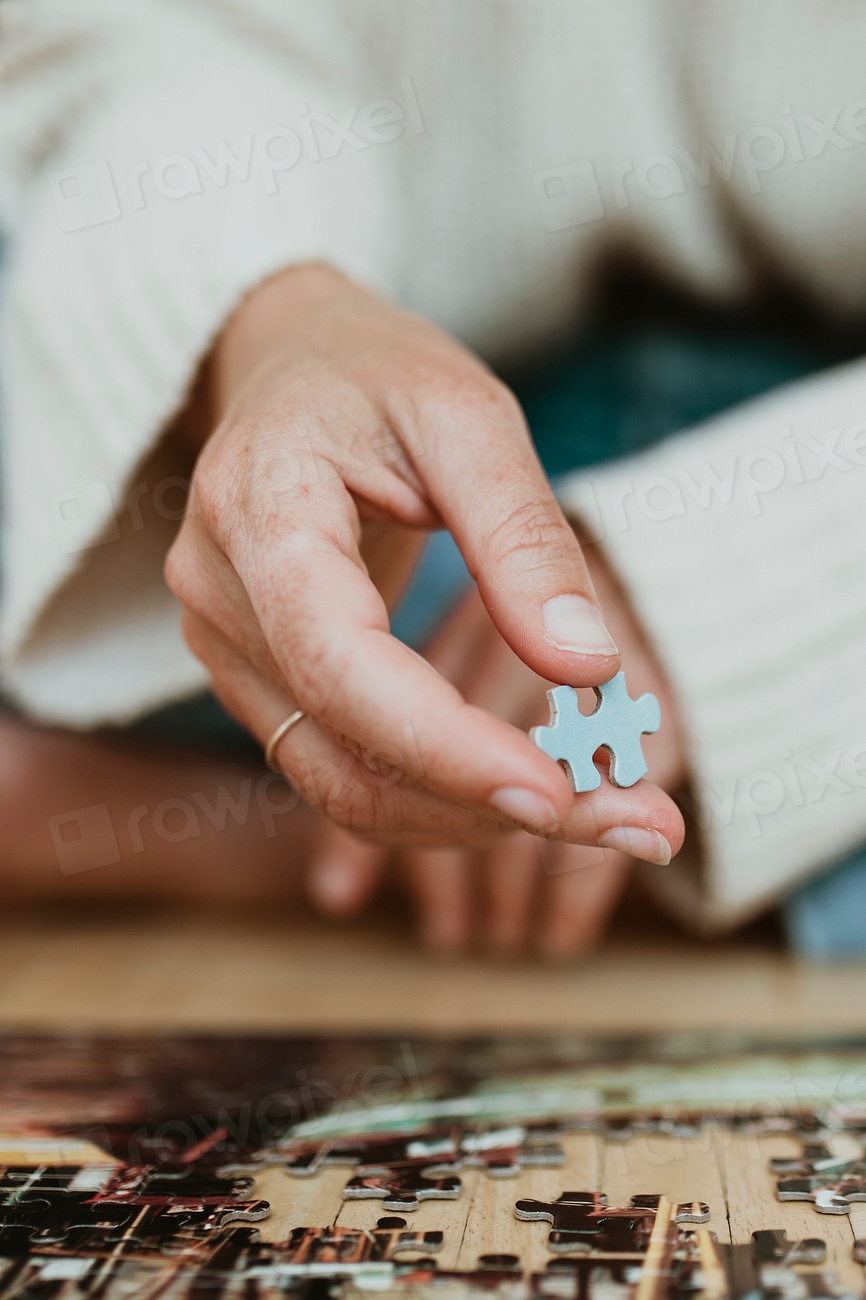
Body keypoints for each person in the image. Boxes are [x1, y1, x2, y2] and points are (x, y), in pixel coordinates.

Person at [1, 1, 865, 959]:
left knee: (448, 667)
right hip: (429, 350)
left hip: (795, 421)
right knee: (285, 564)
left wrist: (749, 583)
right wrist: (272, 320)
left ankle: (264, 830)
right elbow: (132, 37)